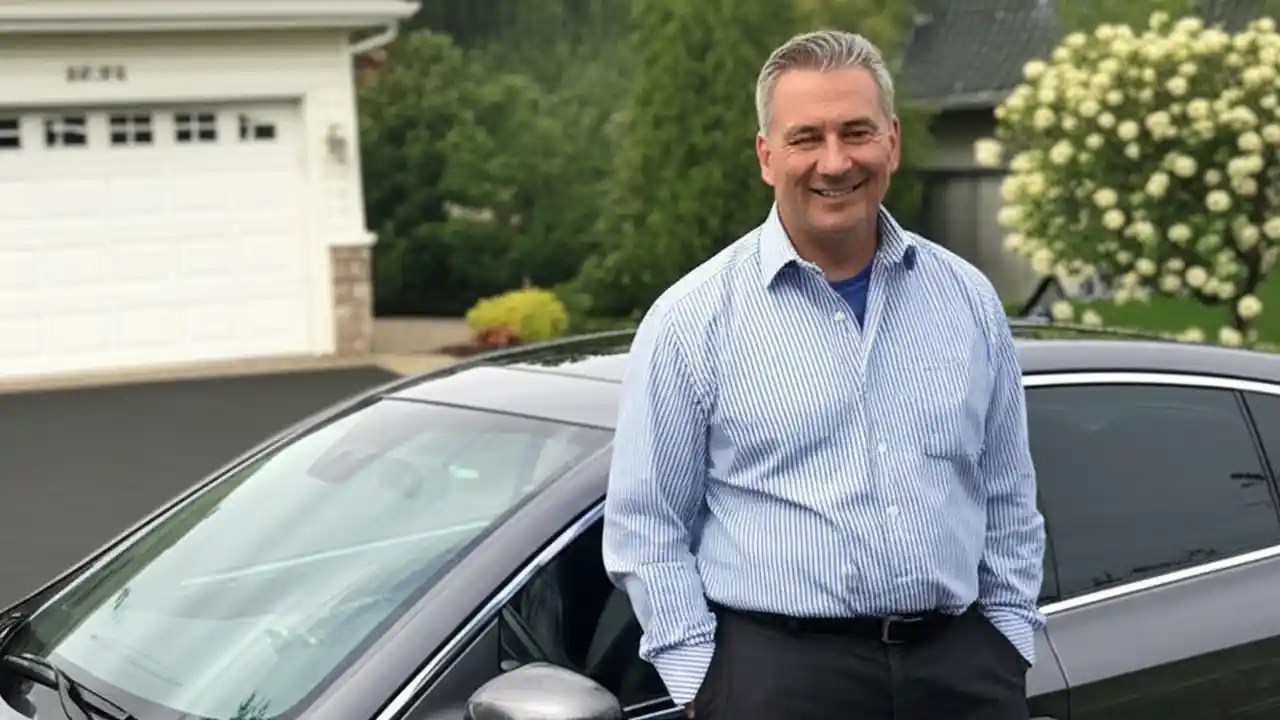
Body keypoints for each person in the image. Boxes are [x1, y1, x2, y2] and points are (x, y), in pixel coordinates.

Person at [601, 29, 1045, 720]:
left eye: (856, 132)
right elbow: (645, 524)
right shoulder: (691, 321)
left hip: (962, 672)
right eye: (806, 138)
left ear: (892, 141)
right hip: (779, 683)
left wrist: (1007, 639)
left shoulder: (967, 300)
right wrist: (707, 686)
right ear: (766, 156)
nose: (835, 162)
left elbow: (1008, 491)